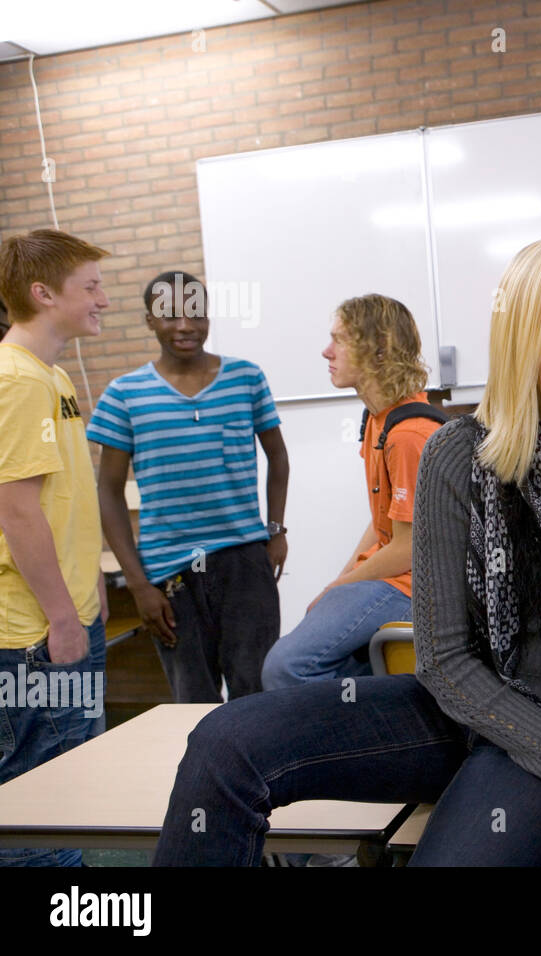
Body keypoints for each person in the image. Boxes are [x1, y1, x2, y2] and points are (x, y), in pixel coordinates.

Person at [153, 235, 541, 866]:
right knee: (226, 740)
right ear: (522, 346)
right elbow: (443, 662)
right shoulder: (459, 454)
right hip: (462, 707)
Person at [88, 271, 289, 704]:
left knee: (258, 696)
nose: (185, 325)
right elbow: (107, 491)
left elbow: (279, 457)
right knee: (192, 702)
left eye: (196, 313)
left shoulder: (246, 378)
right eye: (171, 314)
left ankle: (259, 775)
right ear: (149, 320)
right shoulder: (125, 394)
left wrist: (276, 531)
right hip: (170, 577)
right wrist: (139, 584)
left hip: (244, 565)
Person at [259, 294, 442, 688]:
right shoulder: (379, 420)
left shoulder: (411, 434)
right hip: (394, 575)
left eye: (339, 340)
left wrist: (340, 588)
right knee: (335, 666)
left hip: (416, 585)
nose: (326, 352)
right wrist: (341, 580)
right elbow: (384, 526)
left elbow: (409, 547)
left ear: (378, 350)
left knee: (284, 667)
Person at [0, 229, 111, 867]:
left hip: (68, 615)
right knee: (38, 802)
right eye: (90, 287)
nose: (102, 299)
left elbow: (59, 498)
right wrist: (63, 618)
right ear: (44, 294)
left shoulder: (54, 375)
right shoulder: (19, 381)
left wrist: (89, 586)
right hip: (36, 633)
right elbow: (15, 508)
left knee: (67, 785)